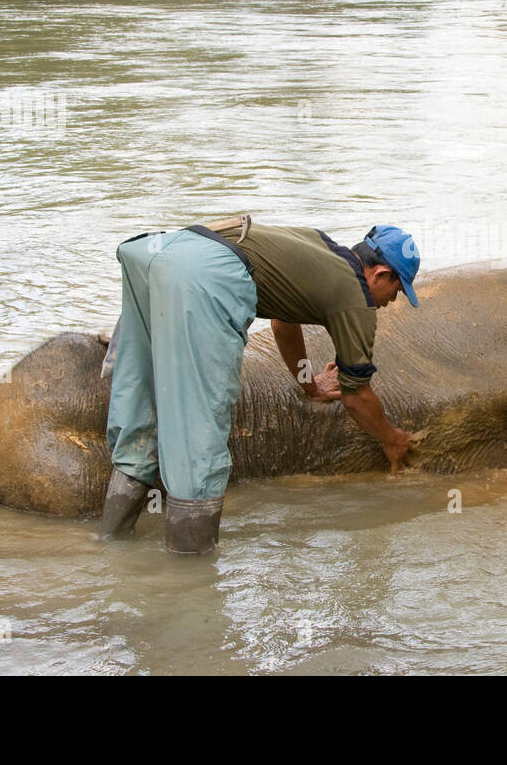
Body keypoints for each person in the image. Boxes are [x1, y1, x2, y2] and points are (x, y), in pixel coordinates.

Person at [97, 217, 420, 554]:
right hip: (203, 276)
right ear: (380, 274)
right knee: (199, 432)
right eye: (397, 291)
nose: (391, 302)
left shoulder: (316, 243)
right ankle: (189, 578)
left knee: (140, 404)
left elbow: (284, 320)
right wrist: (392, 439)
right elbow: (357, 397)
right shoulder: (356, 297)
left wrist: (309, 384)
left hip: (158, 252)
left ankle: (109, 545)